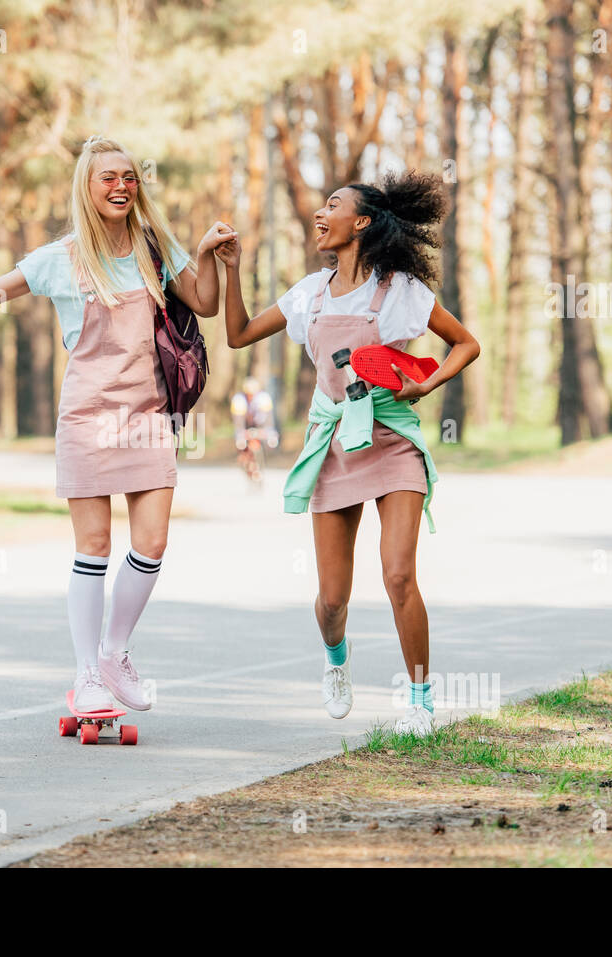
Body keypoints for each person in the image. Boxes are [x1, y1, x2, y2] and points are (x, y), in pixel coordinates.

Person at [0, 135, 236, 714]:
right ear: (87, 189)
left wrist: (212, 256)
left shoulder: (154, 247)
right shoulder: (62, 258)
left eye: (129, 177)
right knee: (93, 545)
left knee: (153, 541)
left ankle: (114, 653)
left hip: (147, 415)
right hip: (88, 416)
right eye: (107, 177)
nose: (120, 186)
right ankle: (87, 673)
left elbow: (205, 304)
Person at [216, 169, 479, 736]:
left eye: (332, 205)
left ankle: (420, 700)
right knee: (332, 600)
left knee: (398, 575)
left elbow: (465, 343)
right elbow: (237, 334)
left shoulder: (402, 290)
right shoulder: (308, 293)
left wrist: (426, 384)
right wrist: (233, 269)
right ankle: (337, 662)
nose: (320, 213)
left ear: (360, 221)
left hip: (390, 439)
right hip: (332, 442)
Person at [230, 377, 280, 452]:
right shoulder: (239, 400)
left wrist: (264, 432)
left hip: (260, 425)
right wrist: (242, 434)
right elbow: (238, 422)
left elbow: (268, 421)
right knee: (240, 441)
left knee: (272, 439)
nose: (251, 396)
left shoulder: (264, 398)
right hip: (245, 425)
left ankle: (269, 452)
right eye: (249, 394)